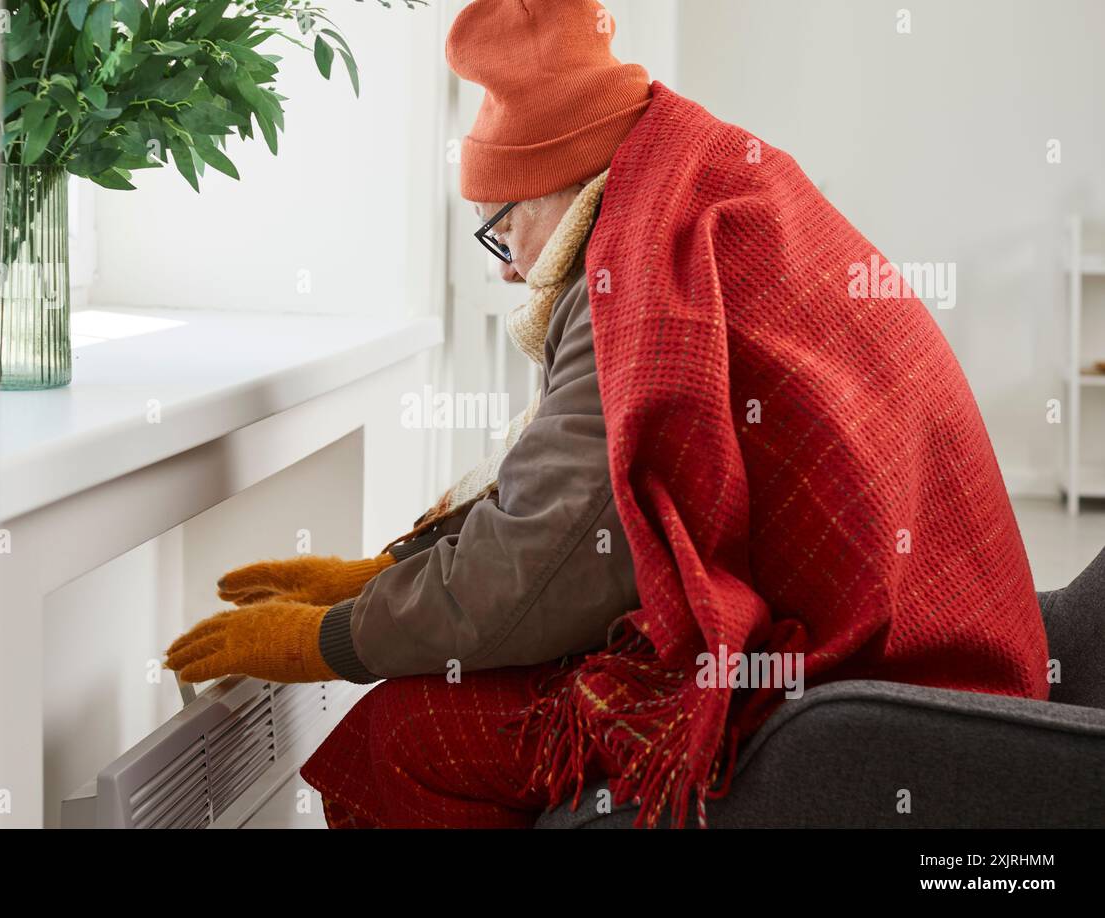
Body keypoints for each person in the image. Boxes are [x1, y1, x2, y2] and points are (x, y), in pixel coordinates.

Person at [167, 0, 1050, 829]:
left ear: (553, 182)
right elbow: (568, 498)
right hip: (956, 636)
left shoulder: (632, 279)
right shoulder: (686, 178)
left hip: (882, 688)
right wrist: (379, 573)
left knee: (403, 735)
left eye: (498, 229)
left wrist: (331, 638)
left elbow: (548, 567)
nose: (507, 267)